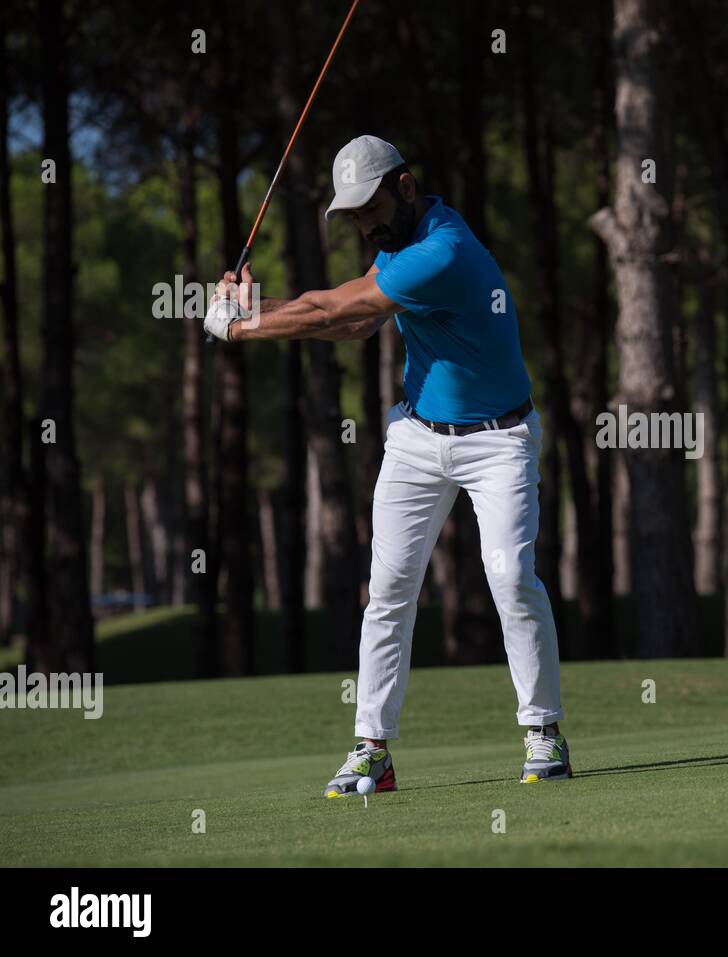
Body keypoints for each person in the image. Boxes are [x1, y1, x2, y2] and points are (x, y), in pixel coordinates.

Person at [204, 135, 572, 794]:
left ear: (404, 186)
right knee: (388, 591)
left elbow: (341, 309)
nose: (363, 226)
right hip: (417, 439)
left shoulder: (444, 249)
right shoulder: (399, 245)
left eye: (369, 208)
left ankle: (544, 732)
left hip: (500, 440)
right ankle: (374, 748)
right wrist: (255, 315)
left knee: (512, 575)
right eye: (352, 216)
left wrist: (240, 325)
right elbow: (349, 324)